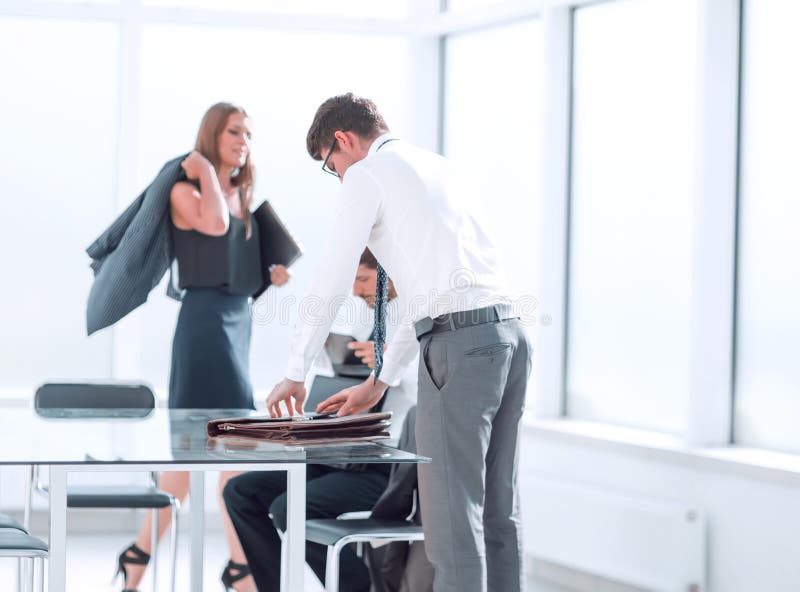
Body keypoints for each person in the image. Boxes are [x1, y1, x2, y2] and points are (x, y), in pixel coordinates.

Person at [265, 93, 531, 592]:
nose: (337, 177)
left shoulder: (367, 174)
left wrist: (295, 370)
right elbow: (426, 296)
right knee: (499, 513)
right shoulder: (442, 169)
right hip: (510, 336)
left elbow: (332, 276)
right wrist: (379, 381)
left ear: (342, 141)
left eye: (330, 165)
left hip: (461, 347)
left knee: (452, 526)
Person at [114, 102, 290, 592]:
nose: (243, 141)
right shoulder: (184, 189)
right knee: (202, 456)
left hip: (237, 326)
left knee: (215, 457)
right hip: (202, 329)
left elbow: (236, 274)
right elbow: (212, 227)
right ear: (212, 134)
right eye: (234, 131)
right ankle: (226, 565)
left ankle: (158, 557)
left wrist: (270, 277)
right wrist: (204, 169)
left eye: (248, 134)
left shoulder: (242, 199)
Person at [223, 248, 416, 591]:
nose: (356, 290)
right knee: (240, 491)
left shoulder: (415, 319)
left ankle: (361, 587)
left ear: (389, 272)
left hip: (384, 466)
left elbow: (424, 389)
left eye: (362, 279)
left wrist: (393, 362)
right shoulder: (368, 317)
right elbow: (349, 380)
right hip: (342, 457)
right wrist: (337, 356)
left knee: (289, 508)